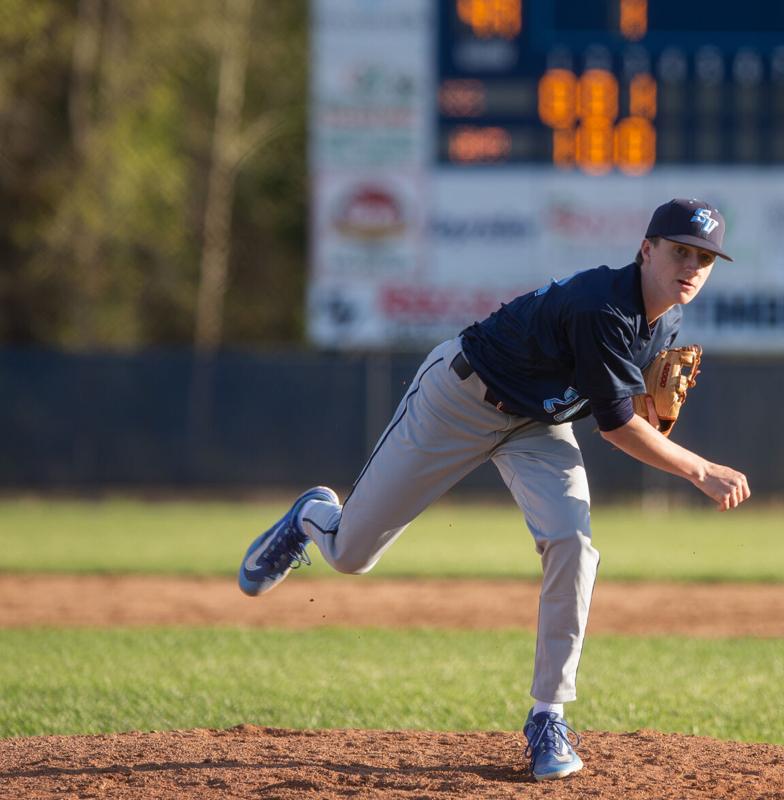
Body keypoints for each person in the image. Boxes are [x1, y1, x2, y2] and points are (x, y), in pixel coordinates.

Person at [237, 197, 751, 781]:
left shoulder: (669, 319)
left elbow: (630, 407)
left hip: (539, 425)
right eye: (680, 251)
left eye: (704, 258)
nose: (691, 266)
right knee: (352, 555)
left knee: (573, 543)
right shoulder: (601, 305)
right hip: (459, 399)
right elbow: (615, 429)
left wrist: (652, 412)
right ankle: (315, 516)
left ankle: (548, 716)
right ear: (646, 250)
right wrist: (700, 469)